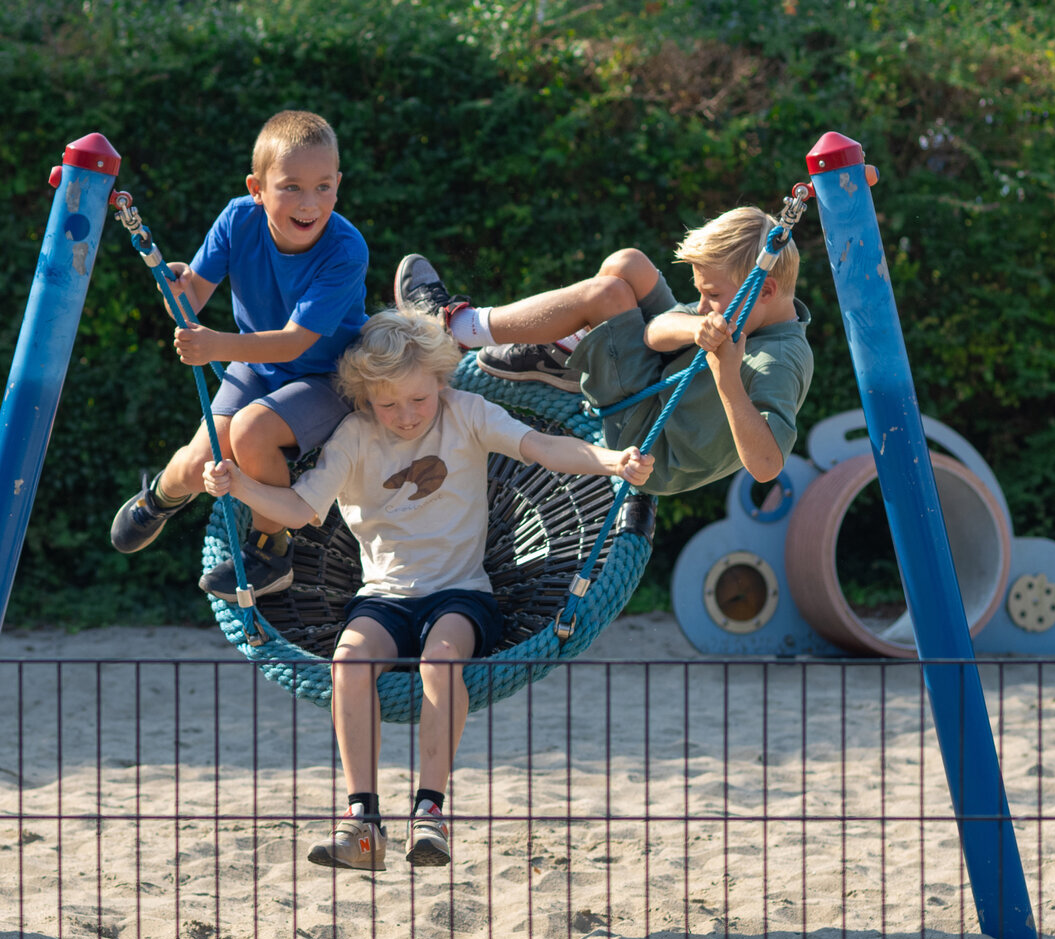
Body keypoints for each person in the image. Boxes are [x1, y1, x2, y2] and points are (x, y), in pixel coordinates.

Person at [202, 306, 654, 871]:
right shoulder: (355, 435)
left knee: (441, 661)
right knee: (348, 664)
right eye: (388, 404)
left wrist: (613, 461)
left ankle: (429, 813)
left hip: (461, 593)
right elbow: (298, 508)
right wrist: (239, 485)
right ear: (365, 398)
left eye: (419, 399)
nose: (407, 415)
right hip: (384, 597)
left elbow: (544, 448)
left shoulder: (465, 413)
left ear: (441, 380)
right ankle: (361, 820)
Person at [110, 109, 369, 603]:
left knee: (251, 431)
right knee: (197, 463)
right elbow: (189, 304)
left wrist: (216, 345)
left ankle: (272, 549)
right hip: (254, 367)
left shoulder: (346, 249)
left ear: (338, 184)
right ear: (257, 187)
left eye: (323, 187)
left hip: (326, 376)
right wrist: (178, 287)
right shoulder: (237, 218)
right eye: (291, 186)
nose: (309, 203)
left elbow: (295, 341)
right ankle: (162, 496)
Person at [394, 205, 814, 496]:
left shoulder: (778, 361)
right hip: (658, 382)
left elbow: (765, 466)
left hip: (650, 443)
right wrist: (696, 326)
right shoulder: (740, 314)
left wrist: (727, 379)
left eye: (713, 296)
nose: (704, 306)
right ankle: (570, 355)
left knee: (608, 295)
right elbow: (655, 334)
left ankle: (456, 327)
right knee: (628, 264)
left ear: (767, 290)